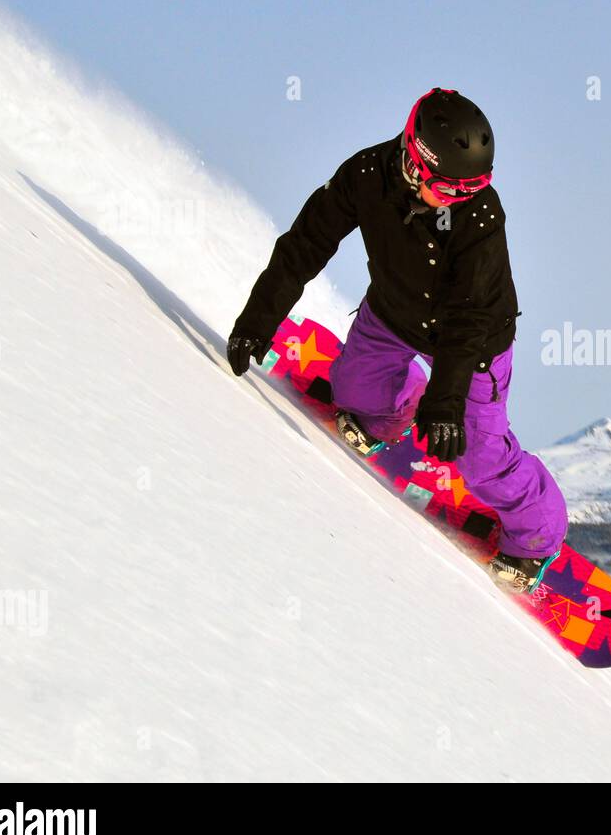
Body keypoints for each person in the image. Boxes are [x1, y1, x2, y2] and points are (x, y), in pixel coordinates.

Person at [226, 87, 567, 593]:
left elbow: (468, 318)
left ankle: (536, 538)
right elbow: (305, 244)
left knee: (478, 456)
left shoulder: (479, 215)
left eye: (471, 189)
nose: (460, 199)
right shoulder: (365, 176)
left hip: (473, 345)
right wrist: (259, 318)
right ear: (416, 159)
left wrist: (446, 402)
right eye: (451, 189)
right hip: (395, 314)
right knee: (356, 393)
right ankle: (395, 409)